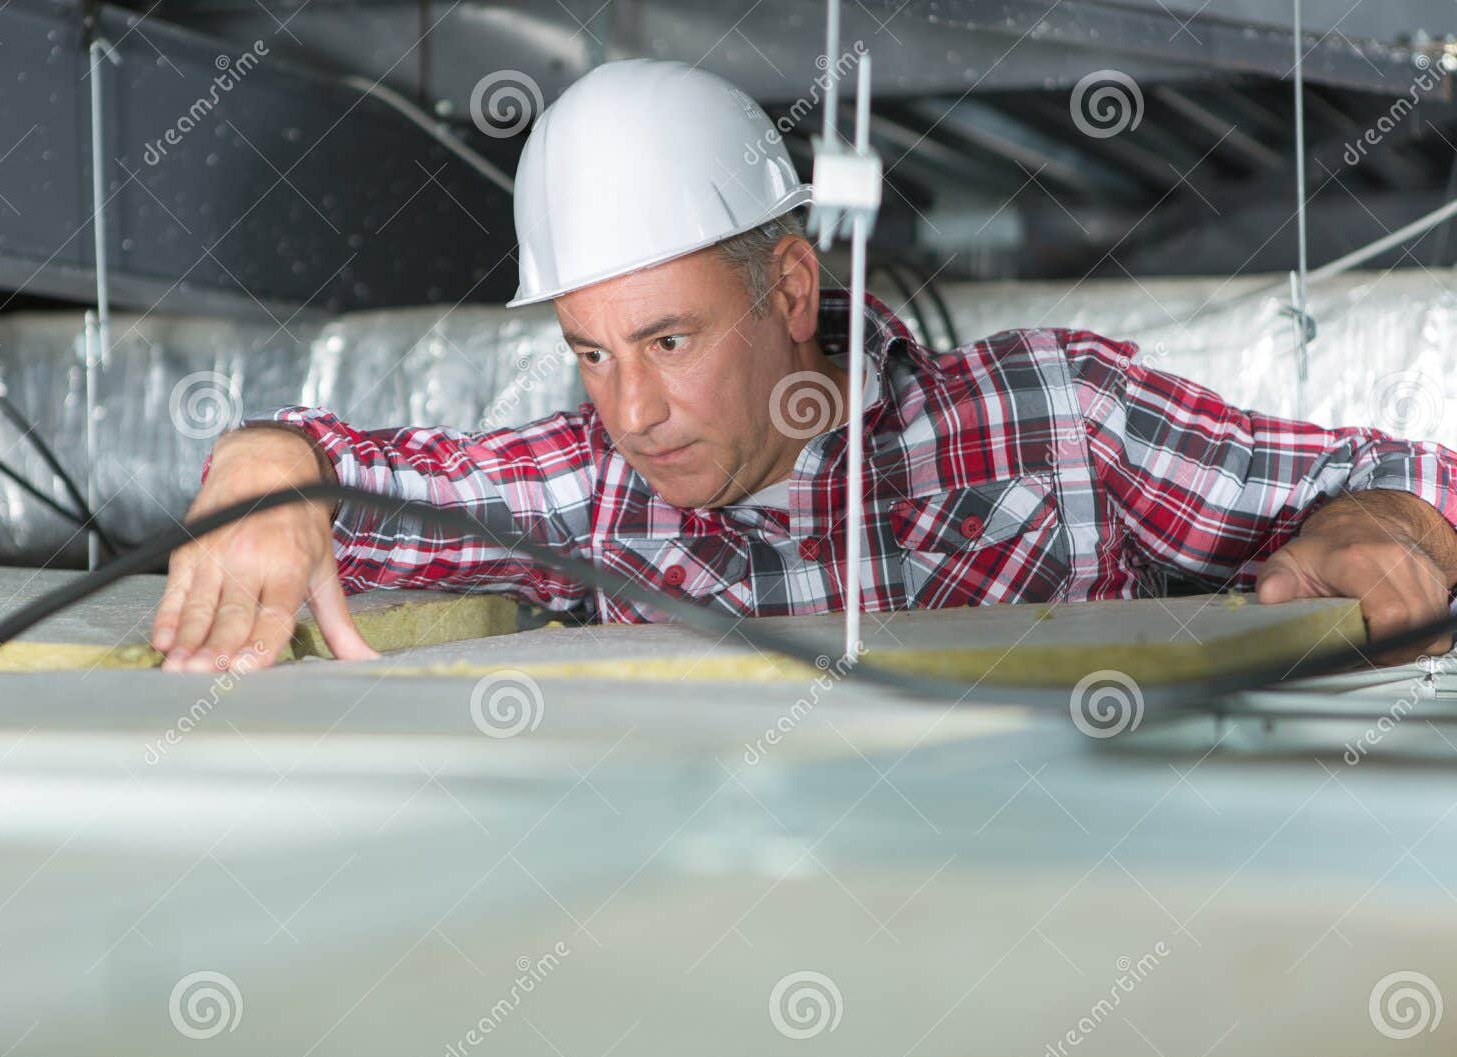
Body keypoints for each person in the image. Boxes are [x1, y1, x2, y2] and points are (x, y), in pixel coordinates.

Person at [151, 59, 1457, 674]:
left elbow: (1392, 475)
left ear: (789, 290)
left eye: (669, 340)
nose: (634, 410)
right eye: (590, 354)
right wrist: (270, 469)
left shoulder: (1063, 420)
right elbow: (359, 477)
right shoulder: (587, 488)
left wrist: (1381, 523)